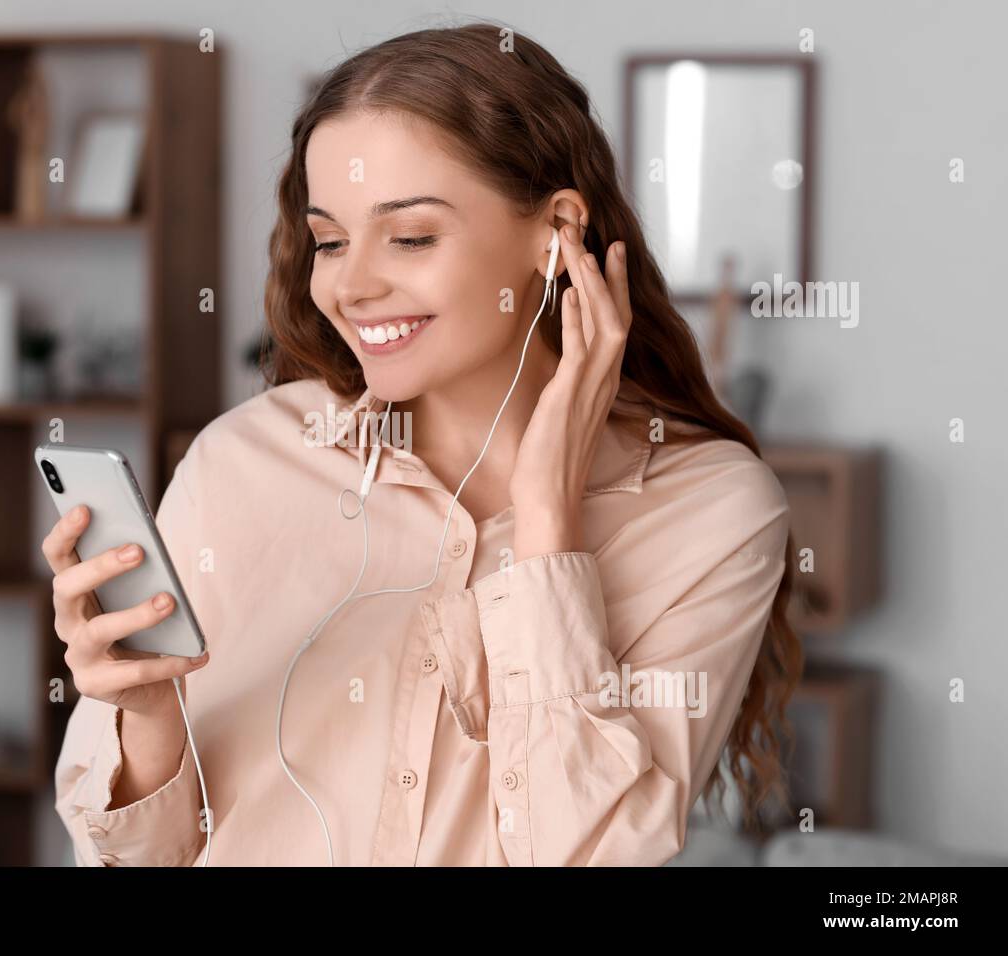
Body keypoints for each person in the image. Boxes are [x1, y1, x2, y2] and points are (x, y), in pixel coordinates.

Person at [44, 22, 800, 867]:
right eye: (329, 241)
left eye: (409, 237)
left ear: (555, 232)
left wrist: (548, 526)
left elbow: (589, 855)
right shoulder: (242, 461)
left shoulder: (709, 511)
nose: (351, 284)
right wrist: (148, 716)